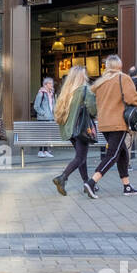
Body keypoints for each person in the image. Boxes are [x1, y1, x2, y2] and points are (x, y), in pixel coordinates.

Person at [89, 55, 137, 197]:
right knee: (113, 154)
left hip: (104, 123)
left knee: (122, 154)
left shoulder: (100, 83)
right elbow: (131, 98)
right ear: (119, 66)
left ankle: (127, 186)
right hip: (118, 122)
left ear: (108, 67)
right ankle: (91, 182)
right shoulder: (123, 78)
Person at [50, 65, 97, 197]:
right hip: (81, 129)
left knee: (81, 157)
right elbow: (93, 110)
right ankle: (62, 178)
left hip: (70, 130)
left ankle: (87, 183)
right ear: (83, 76)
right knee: (80, 157)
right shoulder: (85, 89)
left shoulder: (66, 92)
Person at [33, 76, 56, 157]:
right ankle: (40, 151)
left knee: (47, 135)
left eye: (52, 83)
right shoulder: (41, 93)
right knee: (42, 134)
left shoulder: (51, 93)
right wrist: (43, 113)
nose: (52, 85)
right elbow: (36, 106)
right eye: (50, 83)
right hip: (43, 118)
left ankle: (46, 151)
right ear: (45, 84)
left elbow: (53, 105)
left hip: (50, 118)